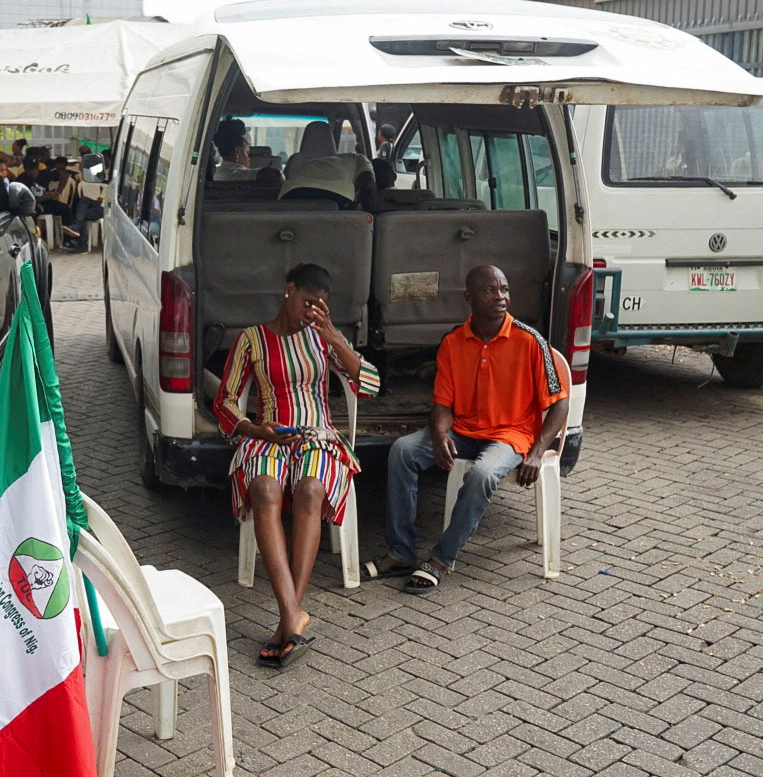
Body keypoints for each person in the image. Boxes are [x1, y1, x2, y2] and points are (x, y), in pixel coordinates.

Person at [213, 263, 380, 668]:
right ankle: (293, 616)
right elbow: (225, 401)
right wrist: (256, 429)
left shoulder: (323, 339)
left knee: (309, 488)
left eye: (320, 307)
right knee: (265, 488)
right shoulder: (251, 339)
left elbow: (371, 384)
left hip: (318, 436)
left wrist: (335, 336)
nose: (310, 312)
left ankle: (289, 616)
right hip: (268, 434)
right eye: (307, 302)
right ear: (288, 290)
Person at [368, 265, 569, 593]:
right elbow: (443, 404)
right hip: (463, 430)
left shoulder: (529, 340)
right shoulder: (453, 342)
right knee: (402, 450)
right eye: (490, 290)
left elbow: (560, 402)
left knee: (482, 474)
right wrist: (439, 434)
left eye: (504, 289)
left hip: (511, 435)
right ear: (469, 298)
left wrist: (536, 452)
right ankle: (401, 552)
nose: (500, 297)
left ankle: (441, 558)